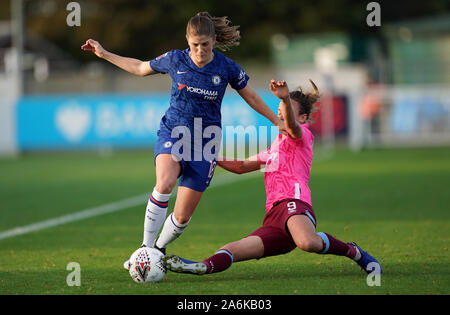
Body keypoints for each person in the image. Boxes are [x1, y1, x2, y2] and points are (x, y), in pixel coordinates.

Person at [81, 12, 285, 267]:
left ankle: (158, 249)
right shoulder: (175, 59)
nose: (200, 50)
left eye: (205, 44)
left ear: (213, 40)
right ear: (187, 41)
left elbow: (252, 97)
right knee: (165, 183)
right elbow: (140, 67)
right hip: (174, 132)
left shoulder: (226, 67)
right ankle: (145, 249)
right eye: (194, 45)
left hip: (206, 141)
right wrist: (104, 53)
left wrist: (277, 121)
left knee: (182, 215)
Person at [162, 79, 383, 276]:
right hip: (274, 216)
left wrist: (285, 98)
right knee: (235, 248)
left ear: (303, 117)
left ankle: (354, 252)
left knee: (307, 242)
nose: (279, 115)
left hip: (294, 203)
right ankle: (201, 267)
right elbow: (241, 166)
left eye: (284, 111)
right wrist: (207, 153)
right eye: (278, 111)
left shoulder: (303, 135)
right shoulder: (274, 148)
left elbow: (293, 128)